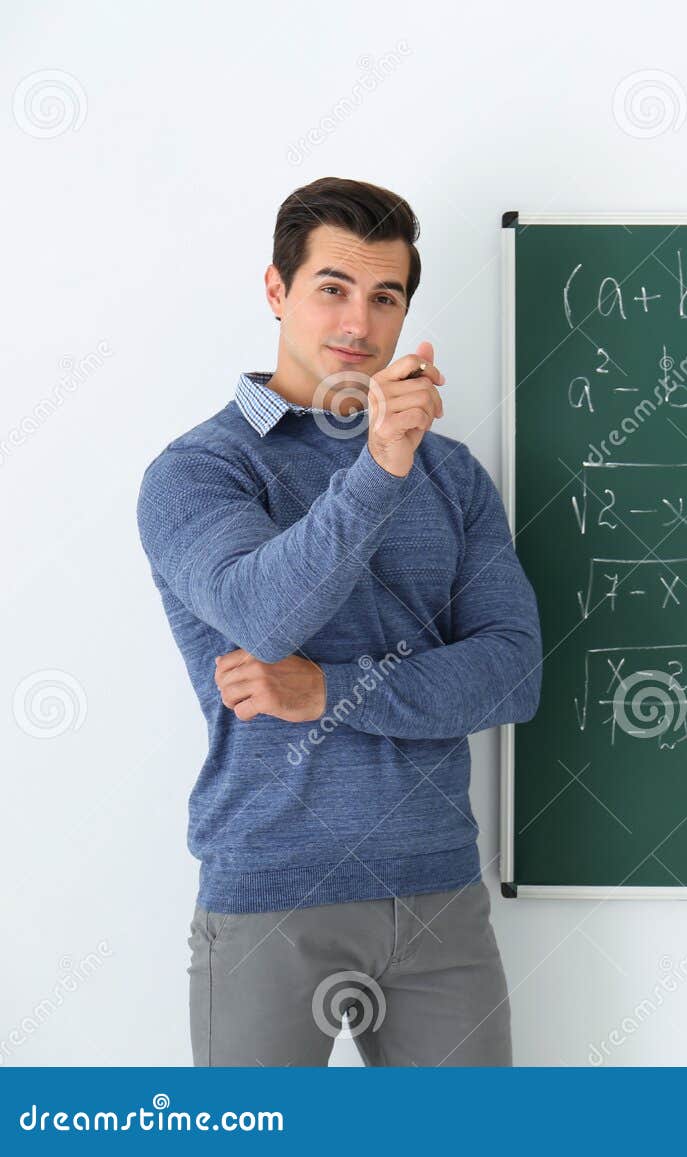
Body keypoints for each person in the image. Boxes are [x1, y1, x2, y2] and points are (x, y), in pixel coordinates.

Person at [135, 176, 540, 1066]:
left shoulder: (456, 476)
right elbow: (262, 613)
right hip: (268, 895)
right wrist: (379, 469)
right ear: (277, 291)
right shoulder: (199, 472)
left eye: (384, 296)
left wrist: (330, 689)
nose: (358, 322)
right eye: (332, 288)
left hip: (438, 894)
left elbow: (512, 672)